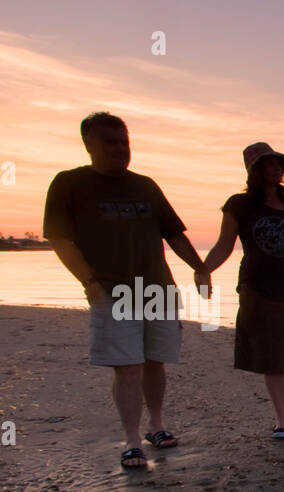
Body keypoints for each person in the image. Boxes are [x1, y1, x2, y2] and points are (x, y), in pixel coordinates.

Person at [44, 112, 205, 469]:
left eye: (123, 142)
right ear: (89, 145)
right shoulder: (70, 183)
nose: (119, 149)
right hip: (112, 291)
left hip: (158, 288)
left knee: (155, 363)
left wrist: (200, 267)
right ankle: (132, 440)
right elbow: (59, 237)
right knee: (127, 367)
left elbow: (174, 233)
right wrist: (87, 280)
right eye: (110, 142)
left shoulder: (145, 185)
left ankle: (157, 426)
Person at [199, 143, 284, 438]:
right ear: (254, 170)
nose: (275, 169)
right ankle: (280, 419)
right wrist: (203, 270)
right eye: (267, 164)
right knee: (272, 354)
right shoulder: (239, 205)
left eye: (278, 164)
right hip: (259, 287)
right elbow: (223, 245)